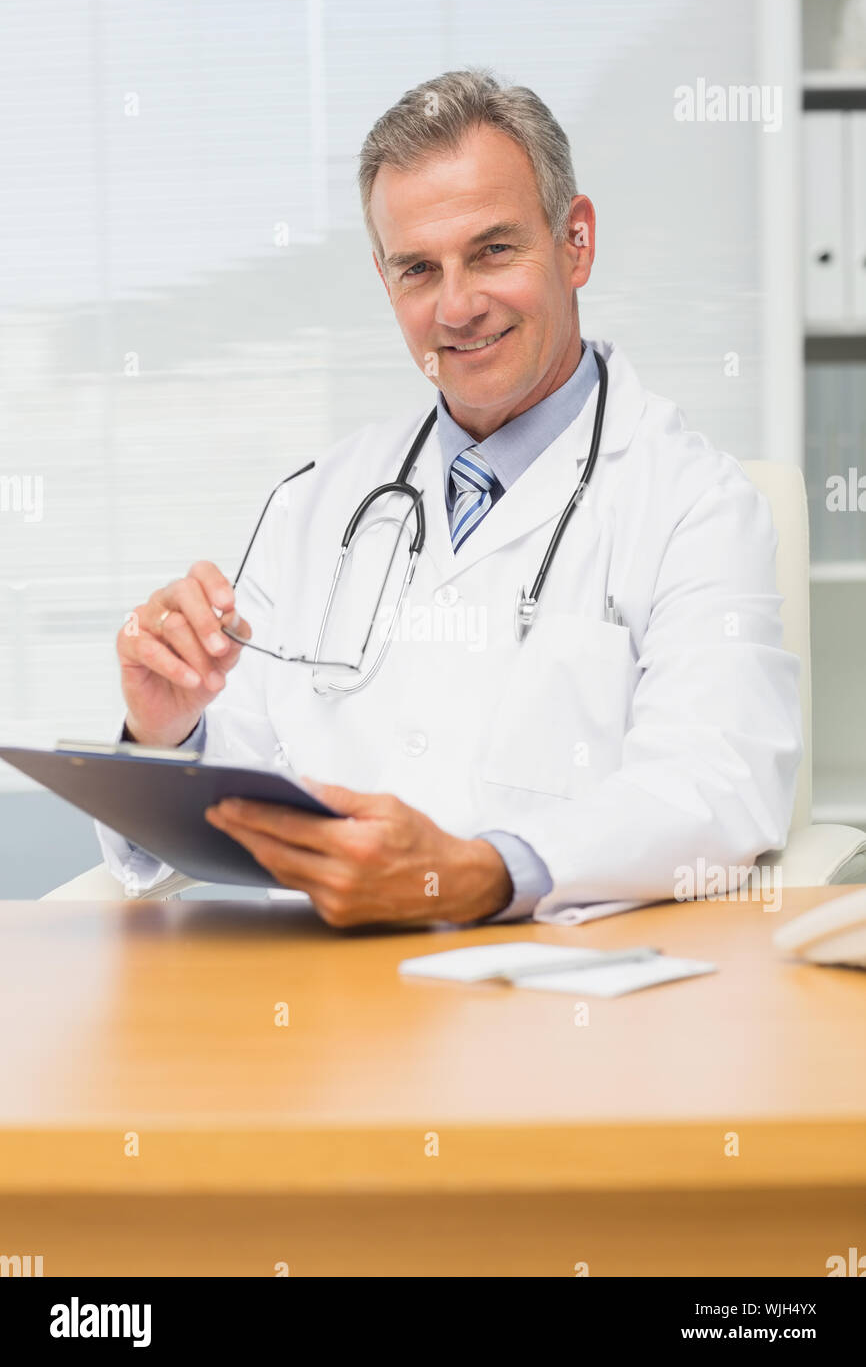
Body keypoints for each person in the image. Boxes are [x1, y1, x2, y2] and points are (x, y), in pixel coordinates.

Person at [98, 68, 802, 927]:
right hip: (322, 1016)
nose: (458, 306)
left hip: (550, 996)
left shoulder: (695, 502)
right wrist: (169, 734)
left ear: (574, 241)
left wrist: (480, 873)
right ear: (385, 280)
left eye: (494, 251)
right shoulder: (316, 503)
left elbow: (718, 783)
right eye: (419, 270)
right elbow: (245, 786)